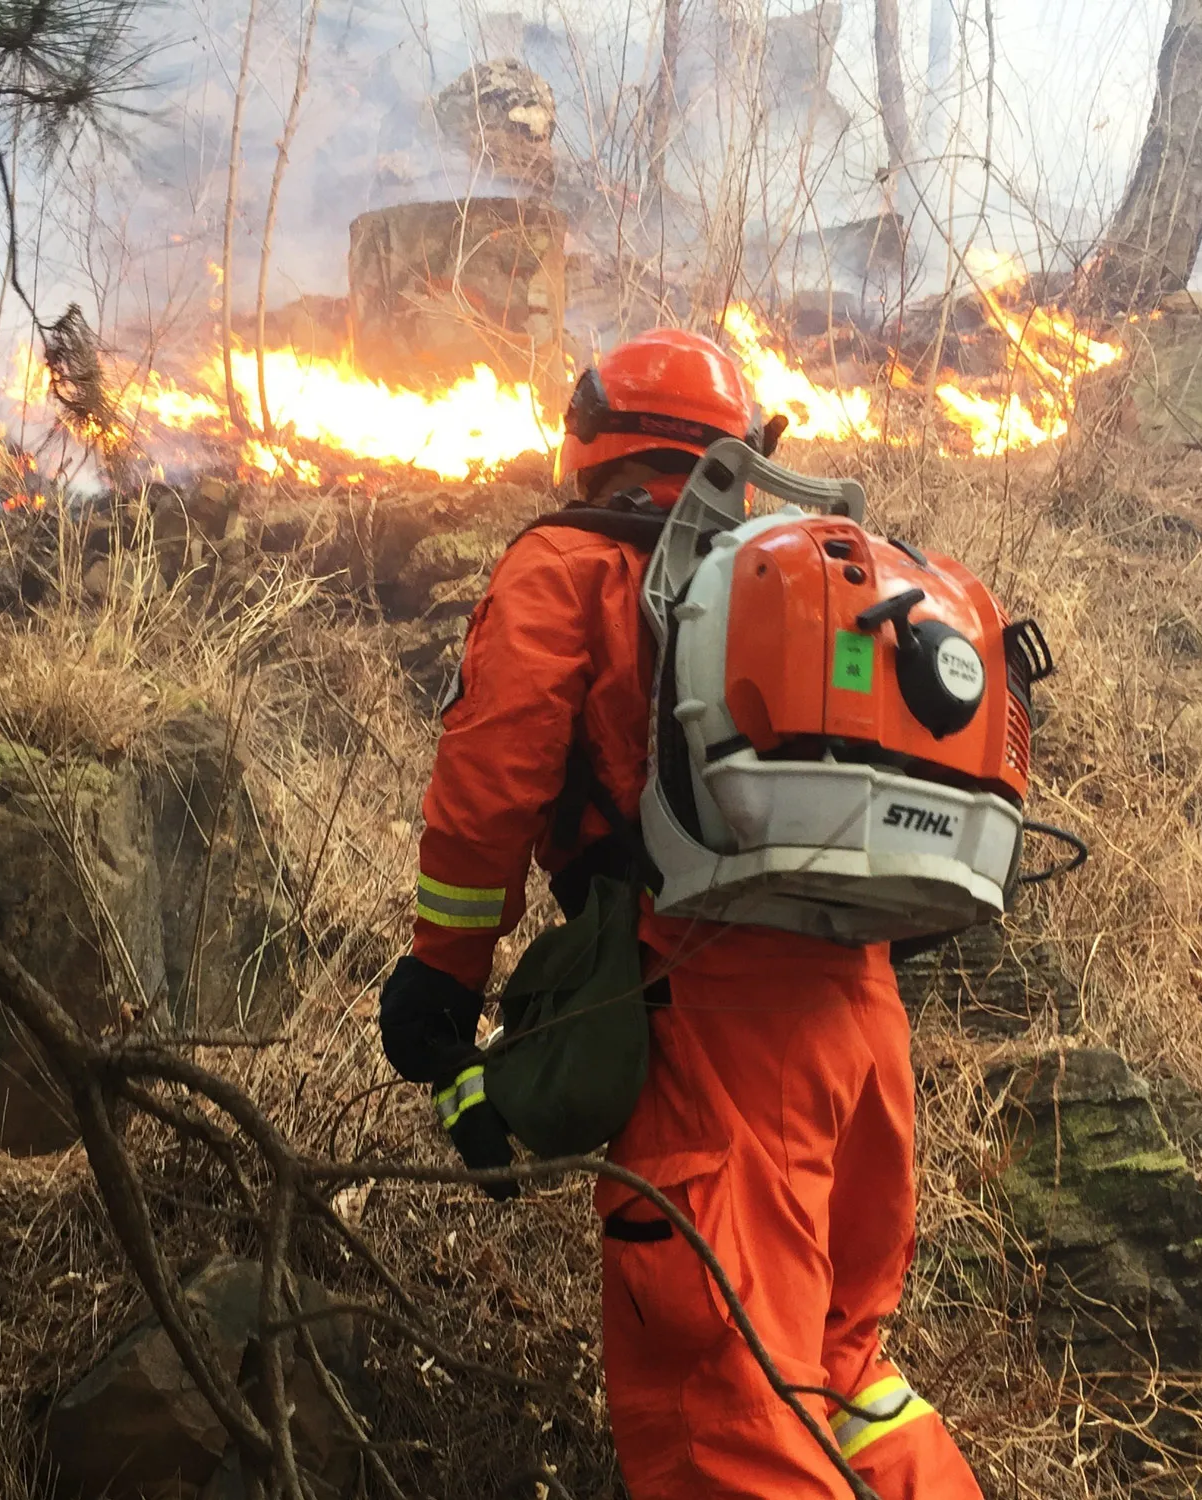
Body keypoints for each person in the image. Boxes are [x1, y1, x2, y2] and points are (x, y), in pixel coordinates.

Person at [378, 328, 984, 1499]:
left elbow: (490, 780)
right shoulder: (803, 570)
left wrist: (441, 974)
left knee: (723, 1413)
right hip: (860, 1024)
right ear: (731, 448)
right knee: (848, 1375)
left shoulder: (569, 561)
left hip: (718, 1034)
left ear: (592, 443)